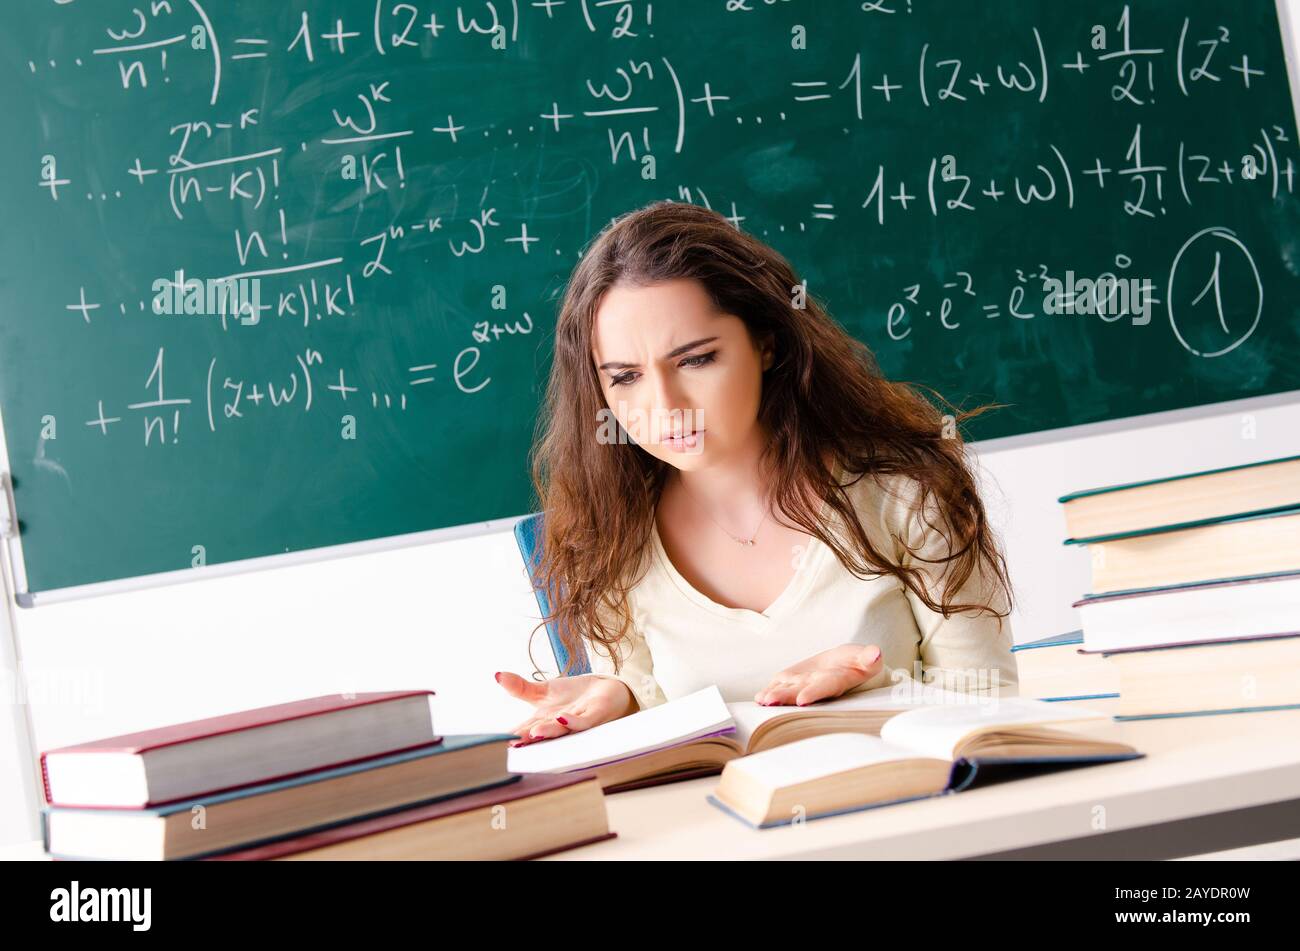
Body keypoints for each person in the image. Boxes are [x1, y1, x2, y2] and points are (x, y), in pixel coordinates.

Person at [496, 200, 1018, 749]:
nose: (663, 406)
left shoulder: (907, 494)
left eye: (696, 360)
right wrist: (623, 705)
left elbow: (991, 700)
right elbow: (662, 736)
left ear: (766, 343)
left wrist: (879, 687)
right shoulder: (608, 536)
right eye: (625, 377)